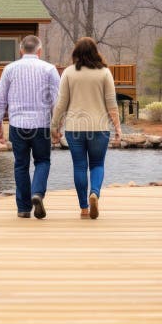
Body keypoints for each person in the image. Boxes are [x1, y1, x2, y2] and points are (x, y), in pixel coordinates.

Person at [51, 37, 121, 219]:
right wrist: (118, 129)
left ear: (76, 53)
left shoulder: (68, 72)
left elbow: (61, 104)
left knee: (80, 166)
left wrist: (54, 126)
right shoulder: (105, 73)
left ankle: (83, 207)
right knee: (97, 164)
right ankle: (95, 193)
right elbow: (112, 104)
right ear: (95, 52)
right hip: (99, 127)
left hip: (74, 128)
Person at [0, 35, 61, 219]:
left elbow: (0, 98)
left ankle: (23, 209)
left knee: (21, 165)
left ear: (21, 50)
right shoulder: (49, 69)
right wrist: (57, 126)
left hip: (17, 124)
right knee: (42, 161)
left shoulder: (10, 69)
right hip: (41, 125)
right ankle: (37, 193)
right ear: (39, 51)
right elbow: (57, 101)